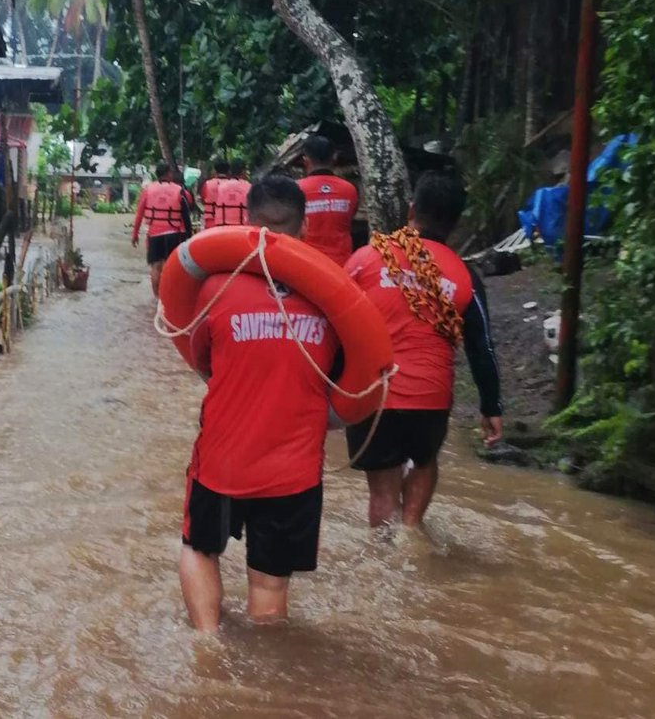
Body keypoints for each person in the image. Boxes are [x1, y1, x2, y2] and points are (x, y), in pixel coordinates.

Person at [179, 174, 339, 632]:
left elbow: (200, 360)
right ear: (304, 228)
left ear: (247, 222)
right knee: (270, 592)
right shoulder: (333, 298)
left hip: (223, 462)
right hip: (294, 471)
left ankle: (207, 649)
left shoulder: (215, 289)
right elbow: (351, 381)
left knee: (198, 548)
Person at [344, 171, 503, 530]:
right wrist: (491, 405)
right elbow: (483, 347)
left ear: (411, 209)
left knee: (382, 493)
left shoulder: (366, 259)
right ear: (456, 223)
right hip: (431, 398)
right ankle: (412, 528)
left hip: (374, 396)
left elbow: (333, 321)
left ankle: (389, 552)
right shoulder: (465, 276)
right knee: (425, 460)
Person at [297, 135, 359, 266]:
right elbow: (351, 217)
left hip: (308, 264)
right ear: (334, 158)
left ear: (305, 160)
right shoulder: (349, 190)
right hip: (343, 266)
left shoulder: (296, 189)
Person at [132, 162, 193, 296]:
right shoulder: (179, 190)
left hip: (154, 234)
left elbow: (139, 213)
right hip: (173, 233)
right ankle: (168, 297)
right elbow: (187, 210)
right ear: (169, 174)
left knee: (155, 267)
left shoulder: (148, 190)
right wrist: (189, 235)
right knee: (169, 267)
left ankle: (156, 299)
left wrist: (135, 234)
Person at [212, 160, 251, 227]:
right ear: (243, 172)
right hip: (242, 228)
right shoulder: (248, 186)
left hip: (221, 227)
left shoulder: (221, 186)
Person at [200, 158, 230, 230]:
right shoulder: (232, 185)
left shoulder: (207, 184)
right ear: (229, 171)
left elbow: (203, 200)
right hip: (227, 223)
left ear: (215, 171)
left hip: (211, 223)